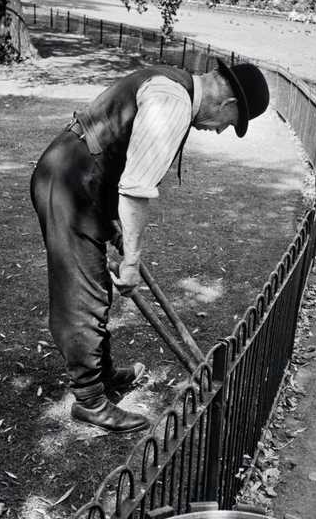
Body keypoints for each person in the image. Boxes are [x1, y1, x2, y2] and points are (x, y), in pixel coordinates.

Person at [30, 57, 270, 433]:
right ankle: (90, 401)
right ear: (228, 104)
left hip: (84, 181)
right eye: (232, 122)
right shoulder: (171, 102)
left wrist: (114, 226)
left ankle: (104, 375)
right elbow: (137, 190)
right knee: (81, 294)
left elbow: (117, 155)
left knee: (95, 289)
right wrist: (131, 259)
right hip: (69, 184)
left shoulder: (173, 90)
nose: (223, 130)